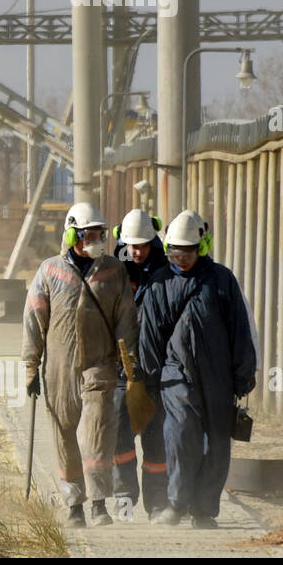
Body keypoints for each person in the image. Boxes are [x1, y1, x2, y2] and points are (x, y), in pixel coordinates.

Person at [138, 211, 258, 529]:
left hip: (219, 377)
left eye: (187, 253)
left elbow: (240, 330)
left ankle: (204, 510)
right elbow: (150, 334)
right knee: (179, 438)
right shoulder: (160, 283)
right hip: (176, 376)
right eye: (175, 253)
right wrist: (150, 378)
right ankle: (177, 504)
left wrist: (244, 373)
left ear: (201, 247)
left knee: (218, 444)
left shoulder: (221, 280)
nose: (182, 259)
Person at [22, 202, 137, 528]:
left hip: (99, 368)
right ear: (73, 234)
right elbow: (33, 320)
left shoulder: (115, 271)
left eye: (101, 233)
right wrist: (31, 366)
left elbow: (127, 320)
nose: (97, 239)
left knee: (97, 434)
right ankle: (74, 505)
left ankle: (99, 504)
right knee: (64, 437)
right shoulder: (49, 271)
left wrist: (131, 365)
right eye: (90, 234)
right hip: (58, 370)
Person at [110, 209, 169, 521]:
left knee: (157, 439)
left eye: (143, 245)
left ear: (153, 240)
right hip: (122, 371)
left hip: (157, 372)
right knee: (120, 435)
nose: (136, 251)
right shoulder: (113, 269)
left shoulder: (168, 271)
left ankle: (157, 503)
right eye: (131, 245)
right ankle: (124, 500)